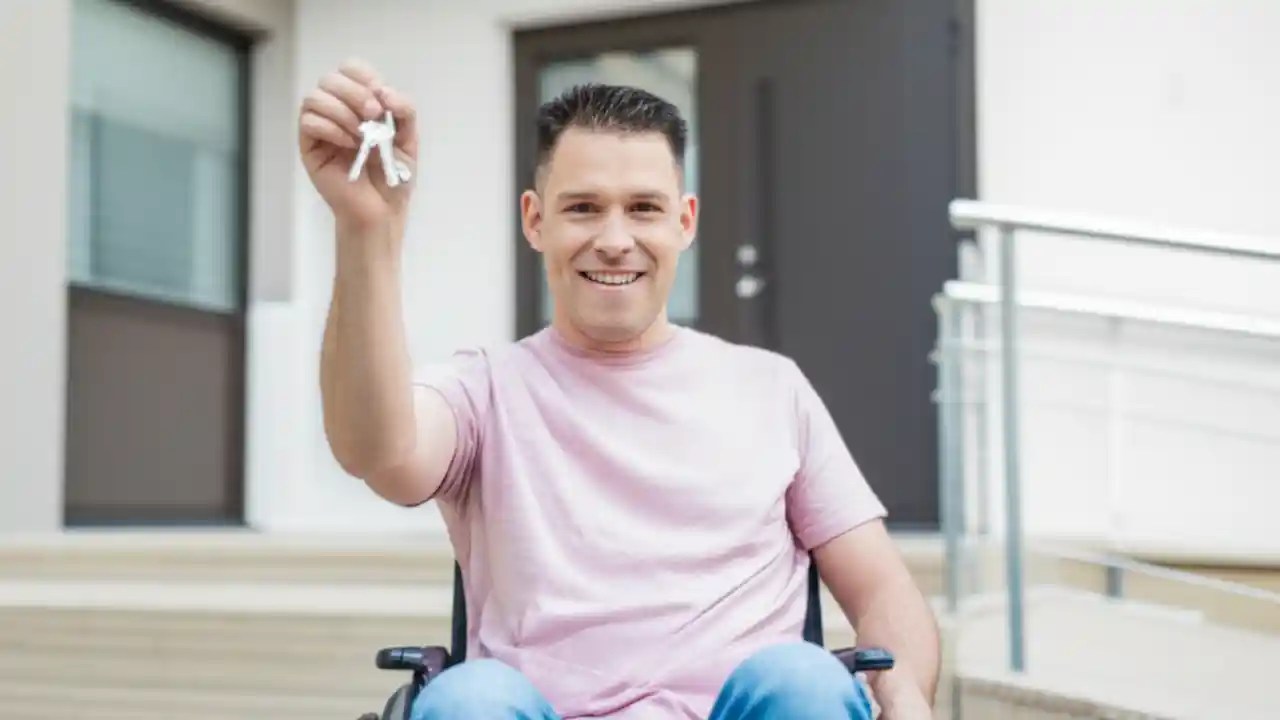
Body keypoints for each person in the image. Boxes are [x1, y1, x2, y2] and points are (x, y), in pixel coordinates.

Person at [299, 58, 939, 720]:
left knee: (804, 681)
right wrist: (366, 230)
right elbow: (374, 451)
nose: (614, 240)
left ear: (684, 222)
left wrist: (907, 695)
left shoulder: (773, 390)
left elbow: (882, 587)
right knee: (470, 697)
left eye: (643, 209)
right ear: (535, 221)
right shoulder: (485, 389)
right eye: (583, 208)